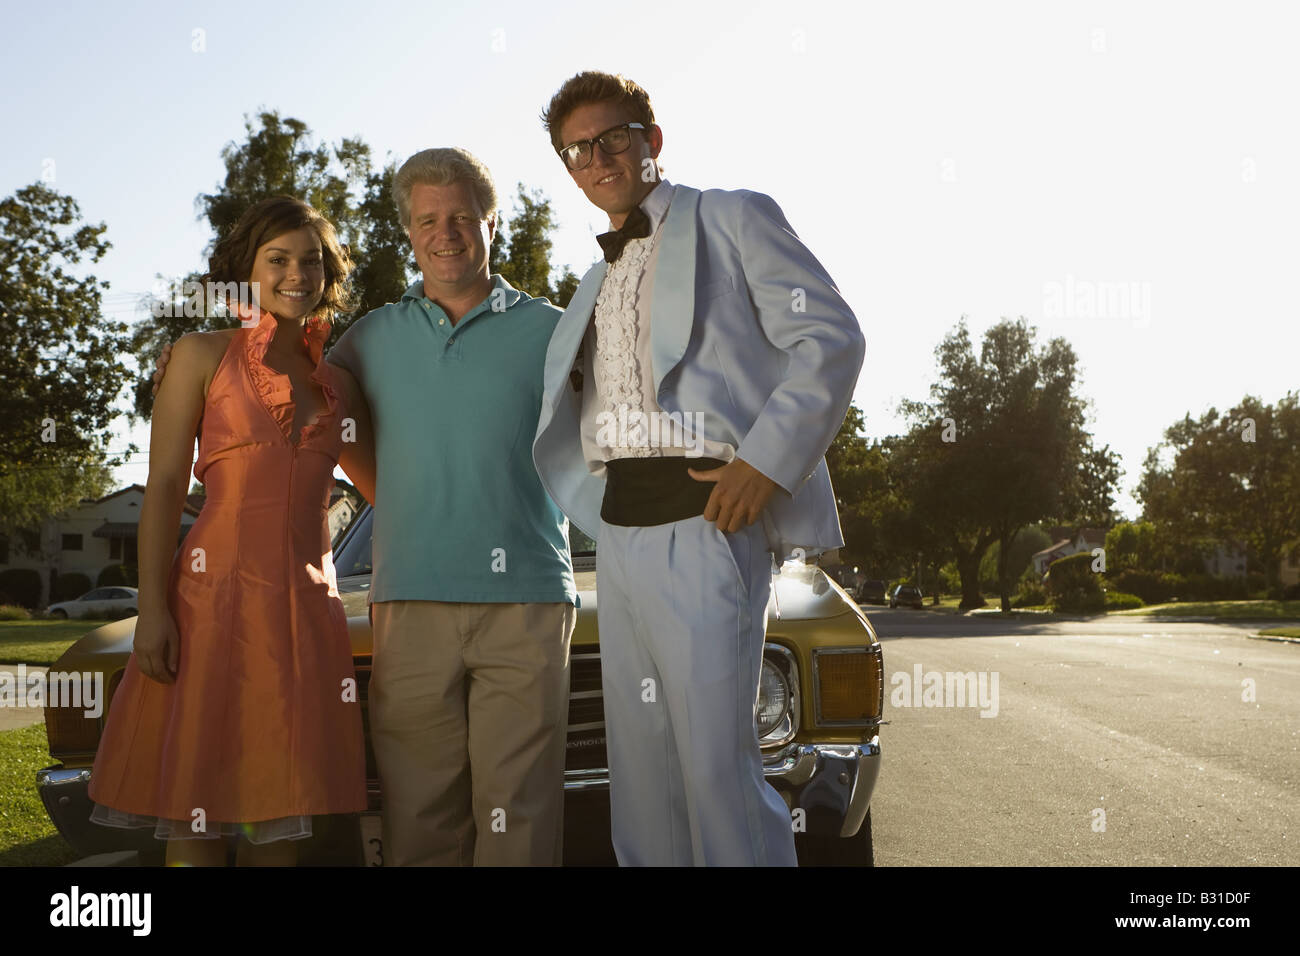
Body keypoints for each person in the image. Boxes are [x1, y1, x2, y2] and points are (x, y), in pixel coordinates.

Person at [151, 149, 578, 867]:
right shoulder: (365, 341)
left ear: (491, 222)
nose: (446, 234)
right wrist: (192, 362)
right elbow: (283, 399)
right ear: (407, 231)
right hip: (405, 602)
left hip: (527, 597)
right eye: (427, 220)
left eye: (463, 218)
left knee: (519, 816)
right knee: (418, 815)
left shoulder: (558, 331)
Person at [532, 72, 866, 866]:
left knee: (716, 768)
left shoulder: (732, 216)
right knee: (644, 777)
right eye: (579, 149)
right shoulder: (594, 278)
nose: (599, 157)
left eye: (614, 136)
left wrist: (766, 462)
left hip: (709, 517)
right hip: (619, 531)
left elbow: (832, 337)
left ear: (652, 138)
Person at [89, 196, 376, 866]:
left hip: (306, 616)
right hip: (208, 607)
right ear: (243, 272)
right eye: (277, 259)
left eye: (311, 260)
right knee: (198, 808)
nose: (296, 273)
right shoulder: (198, 354)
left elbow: (382, 489)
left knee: (276, 808)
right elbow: (163, 488)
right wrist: (152, 609)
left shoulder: (339, 386)